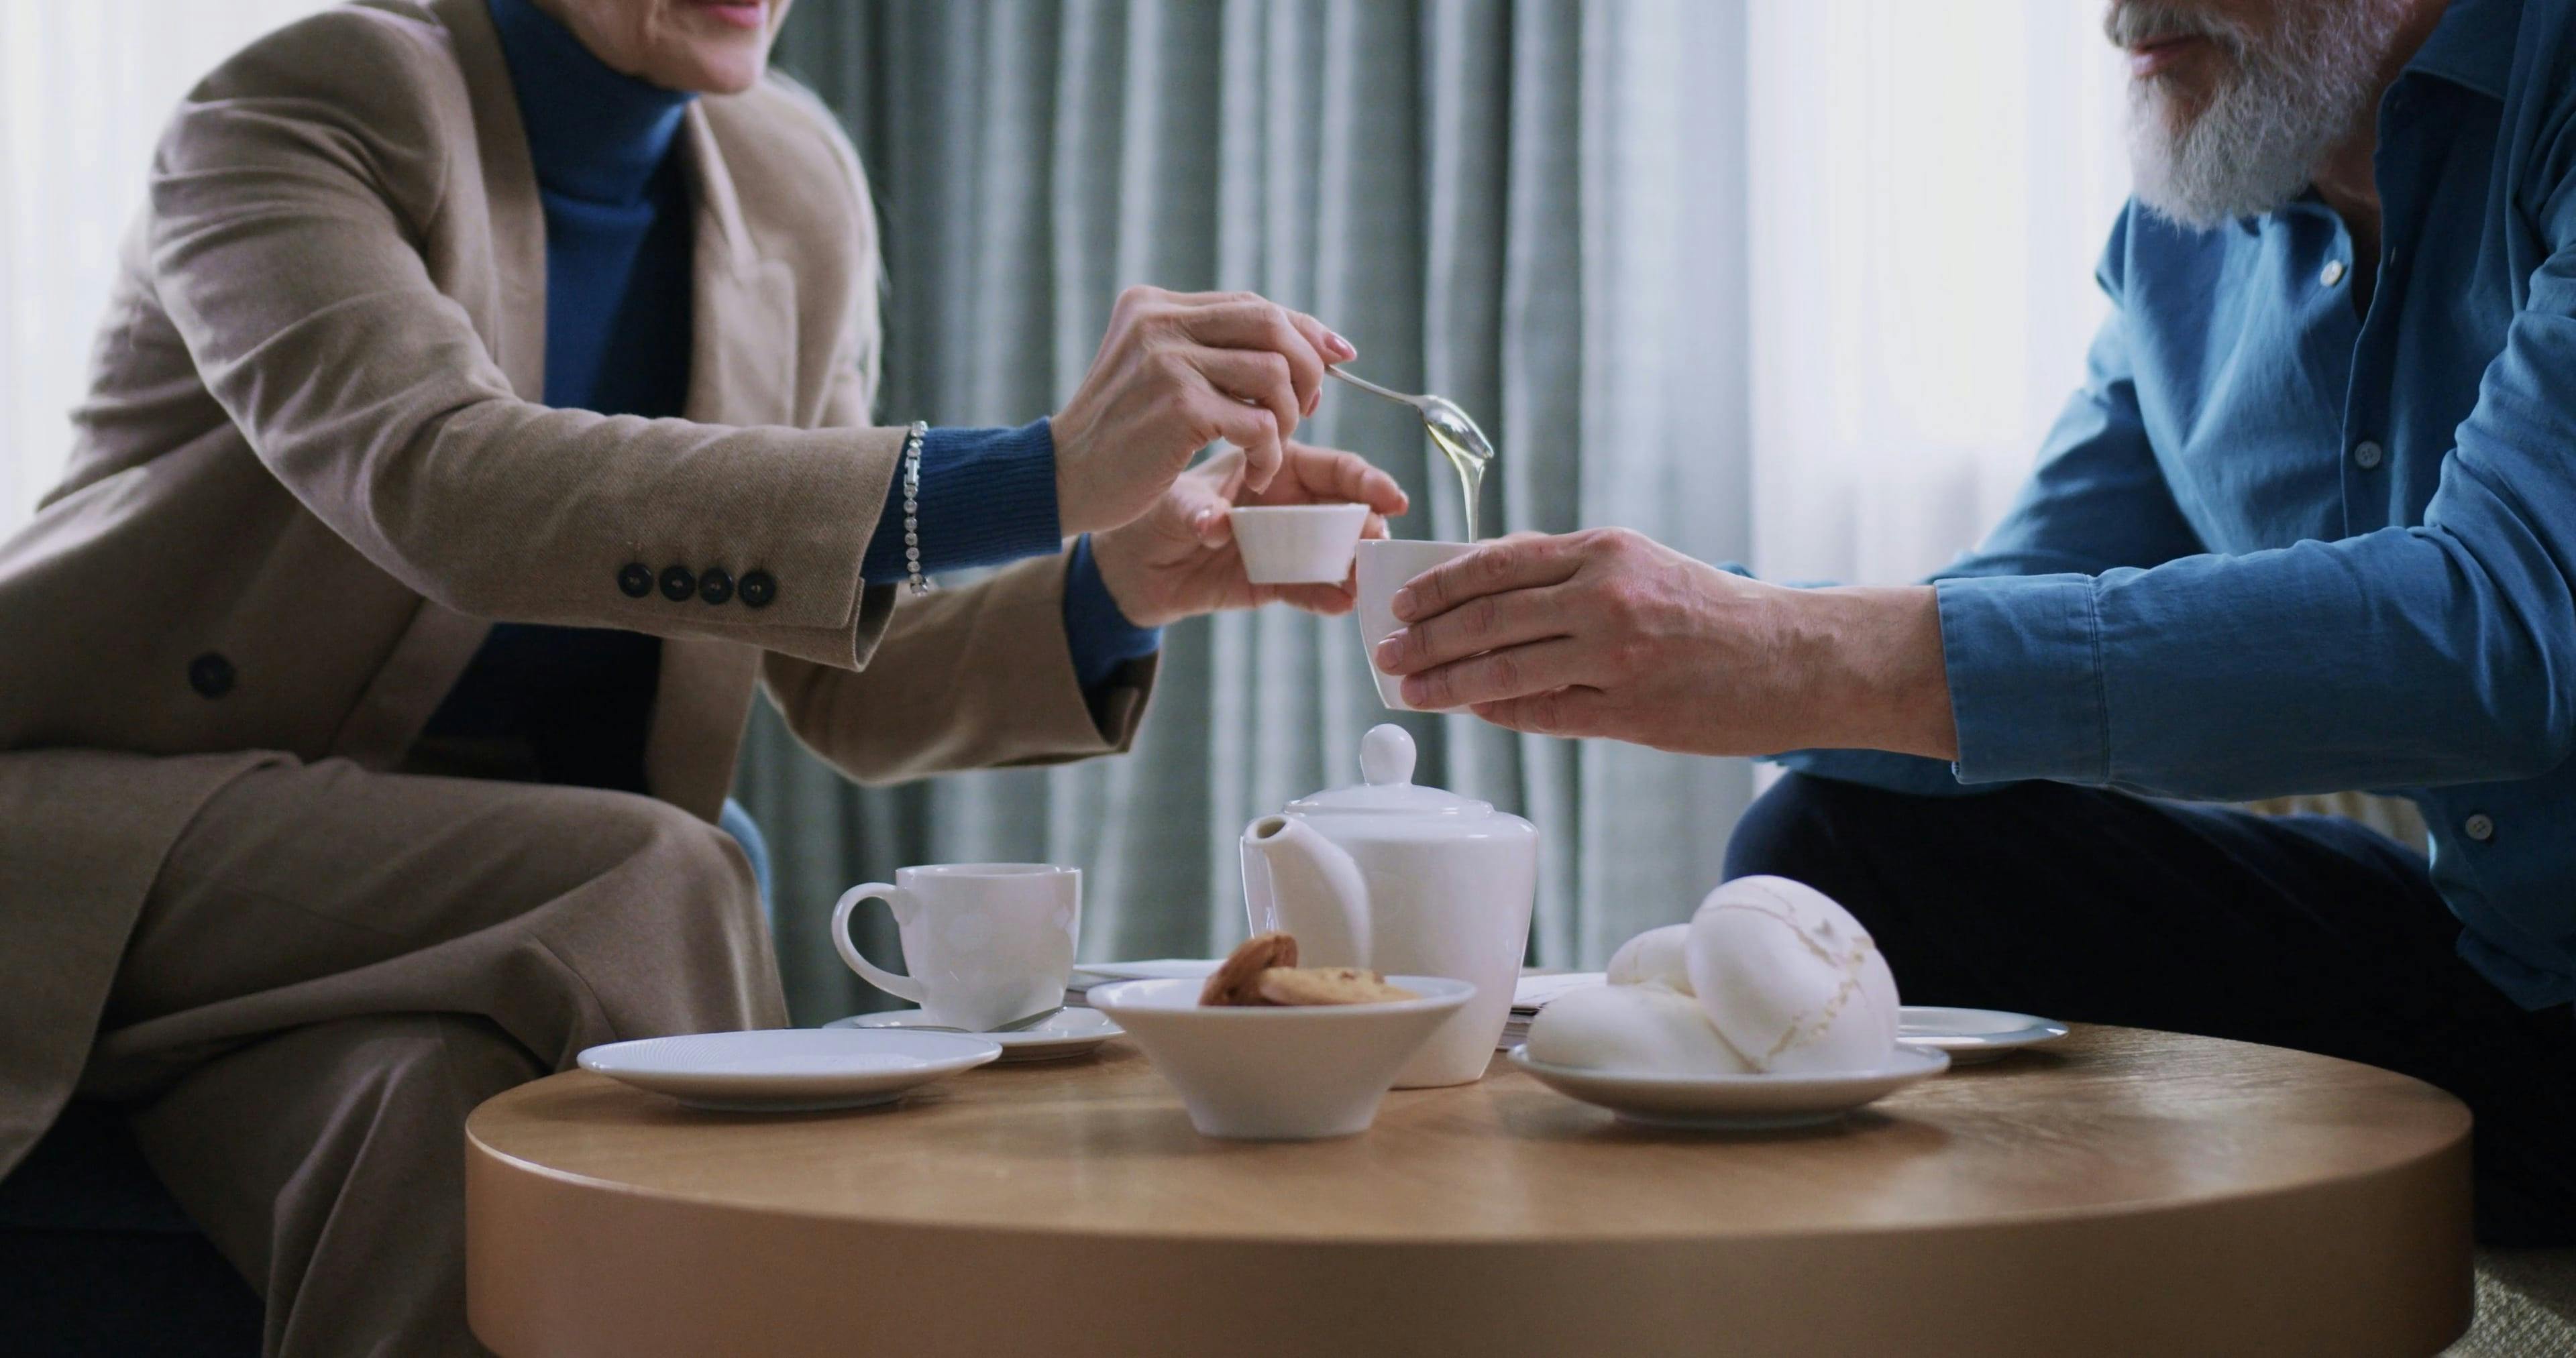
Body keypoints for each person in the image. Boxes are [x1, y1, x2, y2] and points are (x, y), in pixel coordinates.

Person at [0, 0, 1405, 1350]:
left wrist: (1115, 579)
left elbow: (851, 672)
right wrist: (1034, 475)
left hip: (466, 941)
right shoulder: (302, 108)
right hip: (125, 850)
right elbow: (443, 482)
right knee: (663, 867)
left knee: (445, 1122)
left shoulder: (794, 178)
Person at [1371, 0, 2575, 1245]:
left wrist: (1784, 652)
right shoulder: (2184, 255)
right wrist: (1663, 641)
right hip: (2496, 966)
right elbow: (2005, 612)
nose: (2116, 15)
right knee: (1843, 843)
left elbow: (2499, 631)